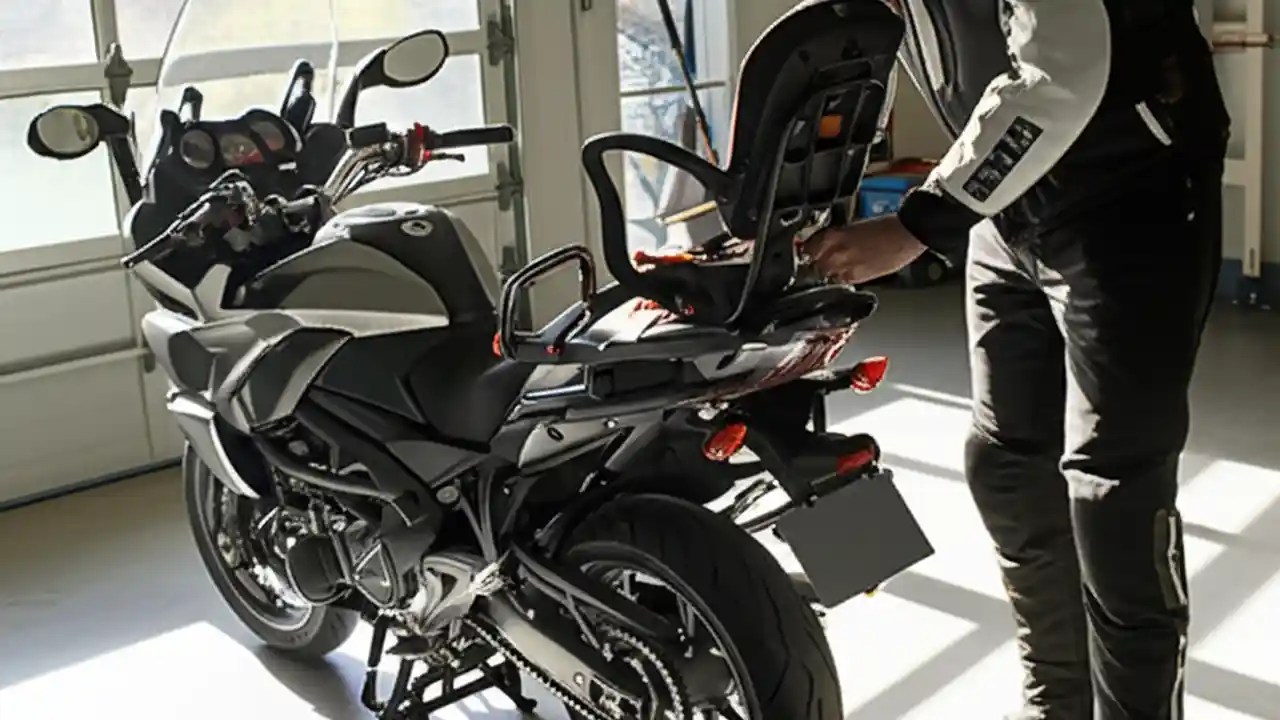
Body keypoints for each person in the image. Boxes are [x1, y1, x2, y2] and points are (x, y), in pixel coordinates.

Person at [803, 1, 1230, 718]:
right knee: (1005, 461)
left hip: (1131, 196)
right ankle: (1055, 701)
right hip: (1011, 206)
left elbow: (1061, 70)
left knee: (1115, 493)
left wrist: (919, 225)